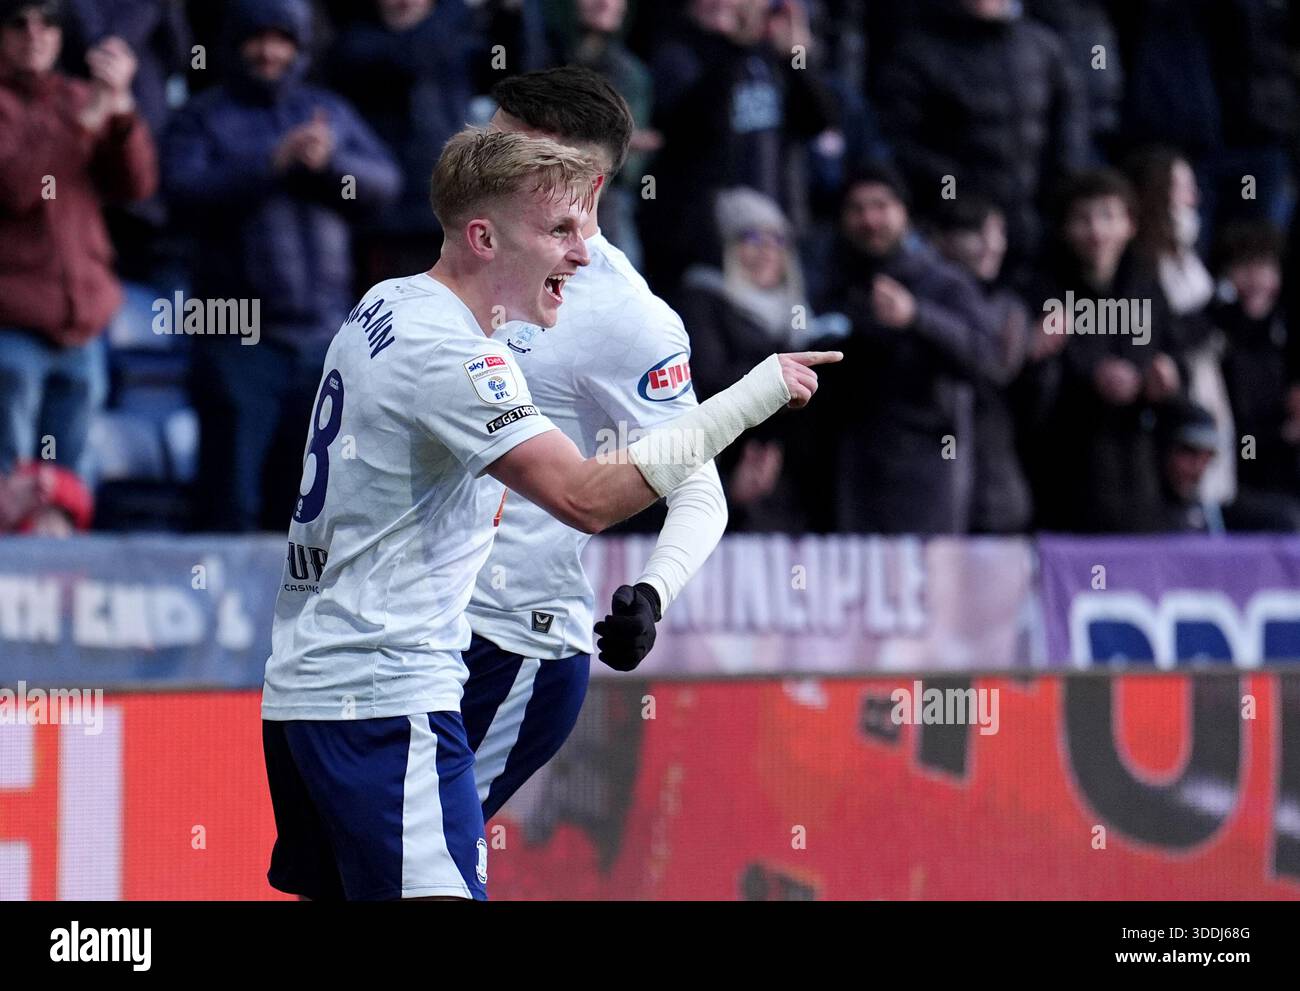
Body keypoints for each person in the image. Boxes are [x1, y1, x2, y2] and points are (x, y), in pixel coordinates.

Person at [260, 126, 839, 901]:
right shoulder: (458, 357)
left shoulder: (384, 302)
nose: (581, 252)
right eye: (559, 230)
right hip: (387, 699)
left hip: (310, 687)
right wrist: (757, 390)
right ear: (483, 235)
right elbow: (585, 498)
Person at [461, 66, 729, 822]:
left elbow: (699, 491)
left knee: (417, 866)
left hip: (509, 642)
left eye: (510, 149)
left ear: (588, 179)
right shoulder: (472, 244)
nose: (483, 160)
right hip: (415, 622)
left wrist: (652, 594)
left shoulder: (626, 317)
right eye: (490, 138)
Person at [163, 0, 401, 532]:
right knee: (231, 502)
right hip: (235, 339)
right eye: (256, 39)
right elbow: (182, 195)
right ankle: (215, 612)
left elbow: (385, 186)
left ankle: (292, 617)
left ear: (299, 48)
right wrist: (272, 163)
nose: (269, 51)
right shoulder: (203, 116)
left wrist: (329, 166)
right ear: (234, 44)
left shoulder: (329, 111)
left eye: (282, 40)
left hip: (320, 339)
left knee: (307, 510)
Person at [0, 0, 157, 484]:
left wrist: (123, 106)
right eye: (19, 23)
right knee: (10, 488)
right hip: (12, 325)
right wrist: (86, 120)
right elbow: (18, 187)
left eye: (46, 23)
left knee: (70, 491)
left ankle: (69, 565)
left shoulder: (76, 95)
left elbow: (137, 185)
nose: (34, 34)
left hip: (83, 324)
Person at [810, 164, 994, 534]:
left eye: (880, 205)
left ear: (903, 212)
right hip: (852, 475)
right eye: (857, 209)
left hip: (929, 477)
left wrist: (917, 317)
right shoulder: (832, 286)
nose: (869, 219)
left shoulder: (945, 283)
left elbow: (987, 360)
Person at [876, 0, 1087, 282]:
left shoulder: (1043, 45)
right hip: (960, 234)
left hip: (1039, 230)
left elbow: (1070, 128)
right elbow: (902, 142)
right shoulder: (917, 54)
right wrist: (963, 202)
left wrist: (1058, 199)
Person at [1026, 168, 1184, 533]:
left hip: (1139, 461)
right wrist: (1090, 376)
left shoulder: (1147, 284)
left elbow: (1173, 354)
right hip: (1067, 464)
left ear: (1129, 224)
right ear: (1065, 228)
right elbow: (1036, 378)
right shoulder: (1045, 288)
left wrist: (1167, 376)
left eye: (1108, 216)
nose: (1096, 231)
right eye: (1083, 218)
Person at [675, 186, 812, 531]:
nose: (767, 250)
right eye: (752, 237)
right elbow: (706, 381)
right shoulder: (703, 299)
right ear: (729, 246)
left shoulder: (805, 319)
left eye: (777, 240)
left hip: (793, 490)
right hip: (726, 469)